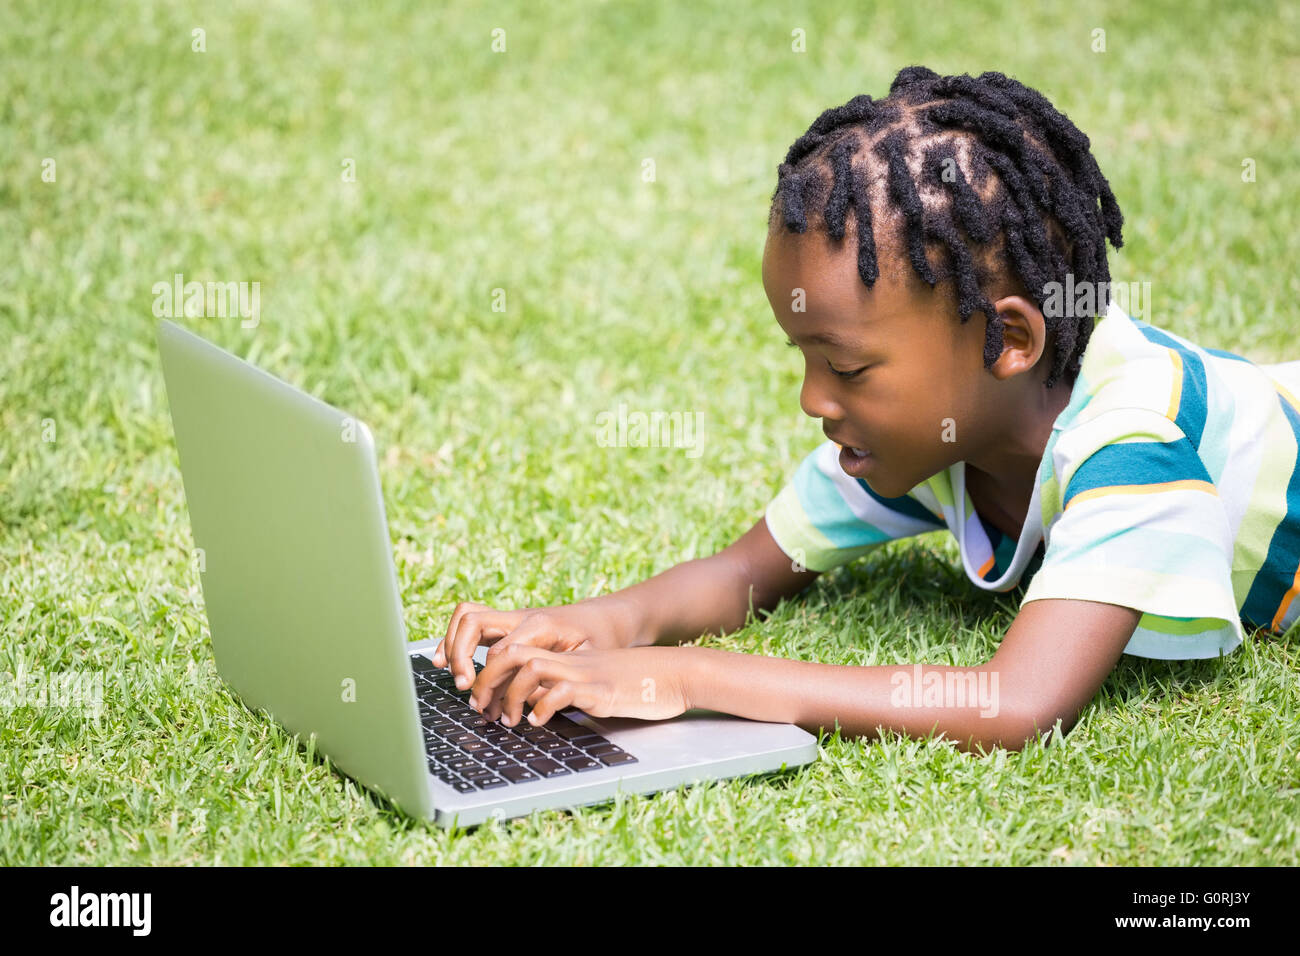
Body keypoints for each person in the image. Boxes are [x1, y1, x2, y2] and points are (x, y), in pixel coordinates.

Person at [432, 66, 1300, 753]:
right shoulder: (936, 434)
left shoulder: (1137, 445)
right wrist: (594, 626)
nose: (815, 400)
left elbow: (1016, 703)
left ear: (1009, 341)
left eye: (846, 367)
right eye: (806, 360)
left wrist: (688, 678)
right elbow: (744, 573)